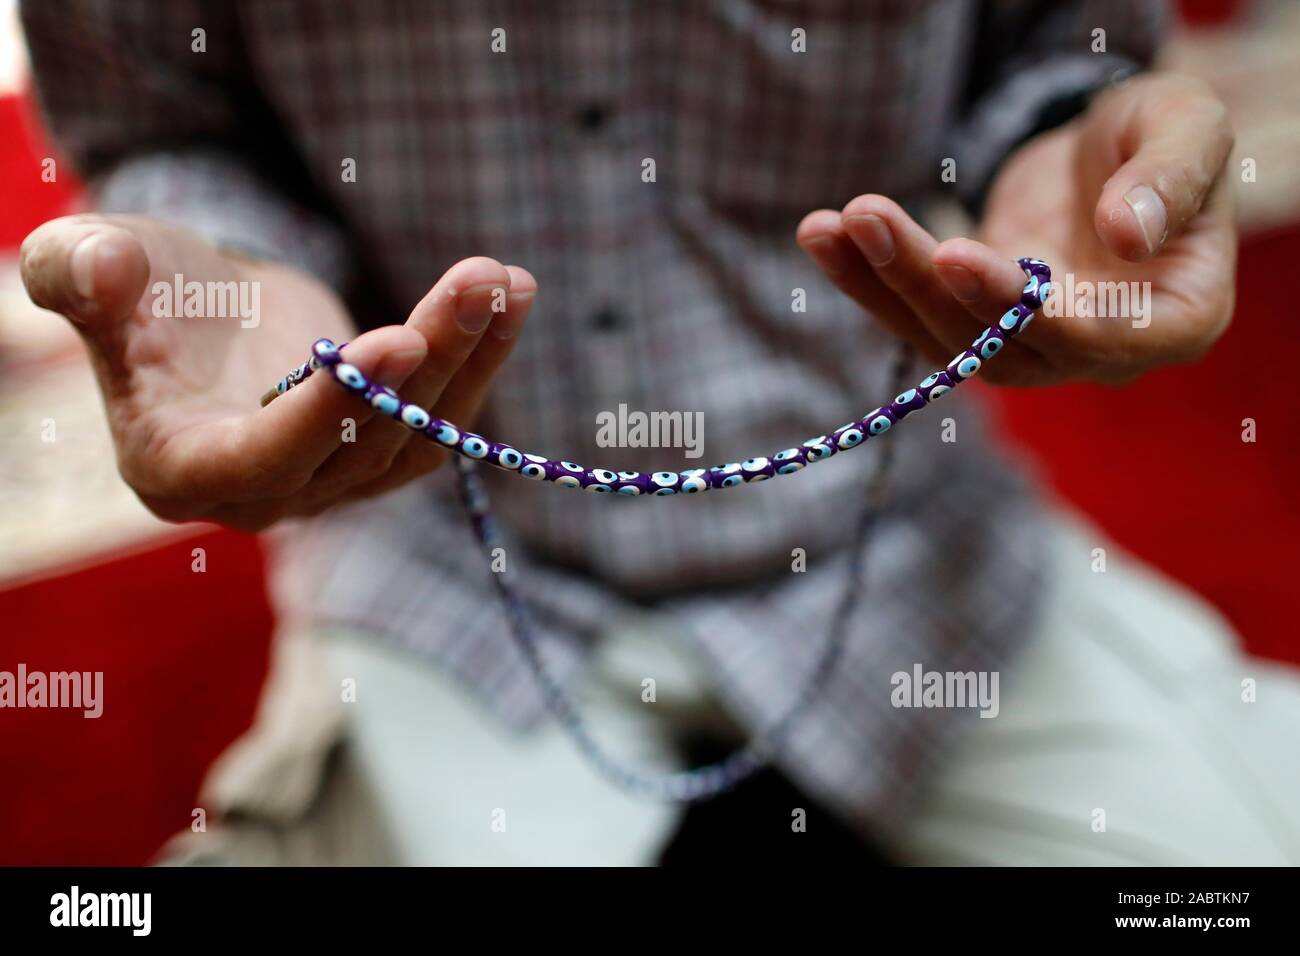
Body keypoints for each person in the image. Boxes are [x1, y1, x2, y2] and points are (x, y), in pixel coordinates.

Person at [18, 0, 1300, 865]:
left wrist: (1065, 144)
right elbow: (165, 113)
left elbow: (1053, 39)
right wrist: (230, 274)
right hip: (448, 564)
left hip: (904, 533)